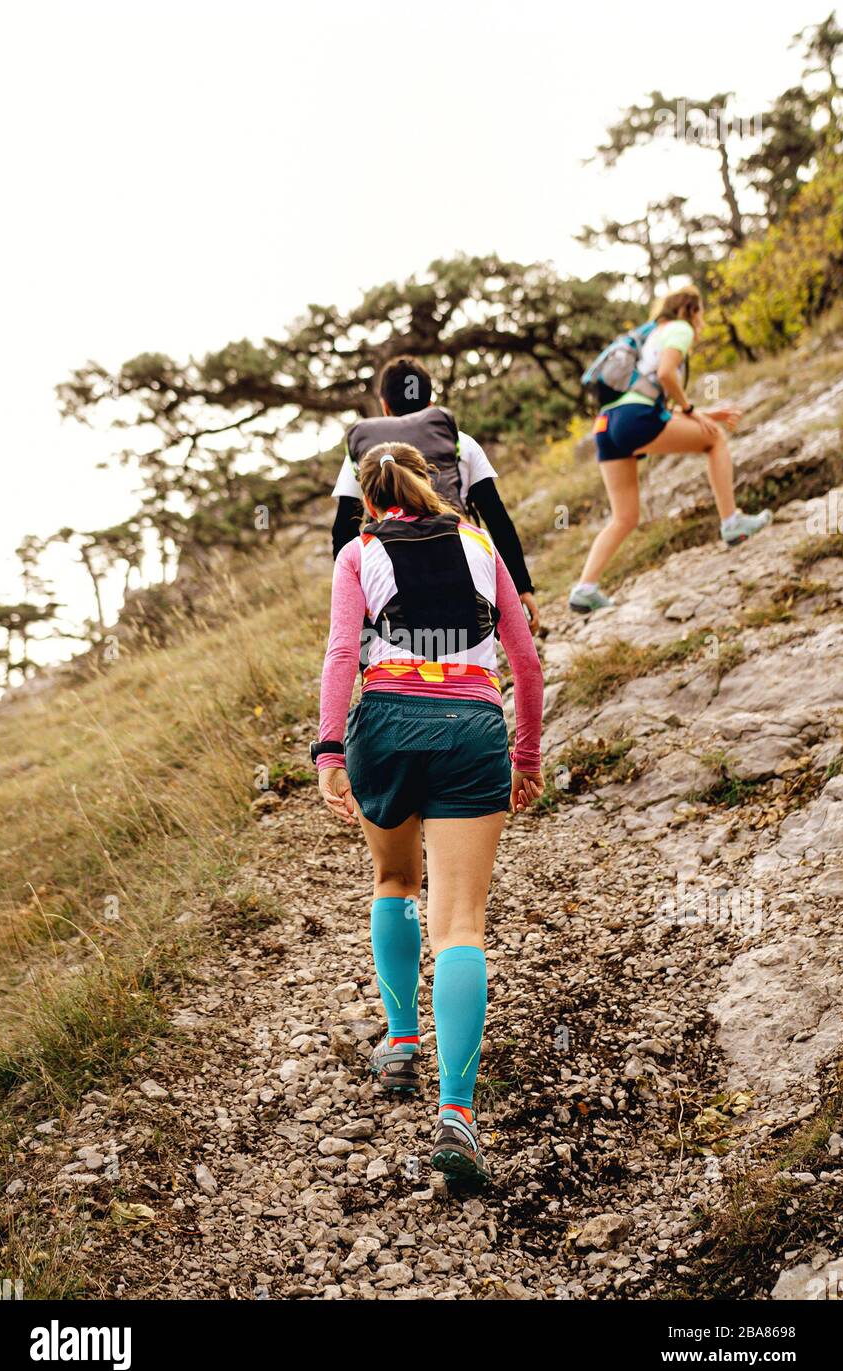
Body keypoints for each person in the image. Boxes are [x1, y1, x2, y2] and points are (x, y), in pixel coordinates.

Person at [312, 441, 544, 1184]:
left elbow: (342, 654)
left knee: (395, 882)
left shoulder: (359, 550)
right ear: (437, 486)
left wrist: (329, 751)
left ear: (374, 501)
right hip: (474, 726)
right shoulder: (480, 543)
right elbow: (526, 658)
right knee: (461, 926)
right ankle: (458, 1119)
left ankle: (403, 1040)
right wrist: (529, 756)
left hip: (385, 721)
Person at [569, 285, 773, 613]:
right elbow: (665, 375)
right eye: (700, 313)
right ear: (690, 310)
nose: (701, 320)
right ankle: (732, 522)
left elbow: (645, 396)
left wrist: (699, 413)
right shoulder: (680, 329)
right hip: (635, 417)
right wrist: (692, 409)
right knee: (715, 439)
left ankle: (584, 589)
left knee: (624, 516)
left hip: (607, 425)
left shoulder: (647, 335)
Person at [331, 354, 541, 633]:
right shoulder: (460, 441)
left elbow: (342, 531)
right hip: (462, 572)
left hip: (392, 584)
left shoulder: (366, 456)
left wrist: (356, 614)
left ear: (384, 406)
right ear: (431, 403)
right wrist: (522, 588)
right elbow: (496, 517)